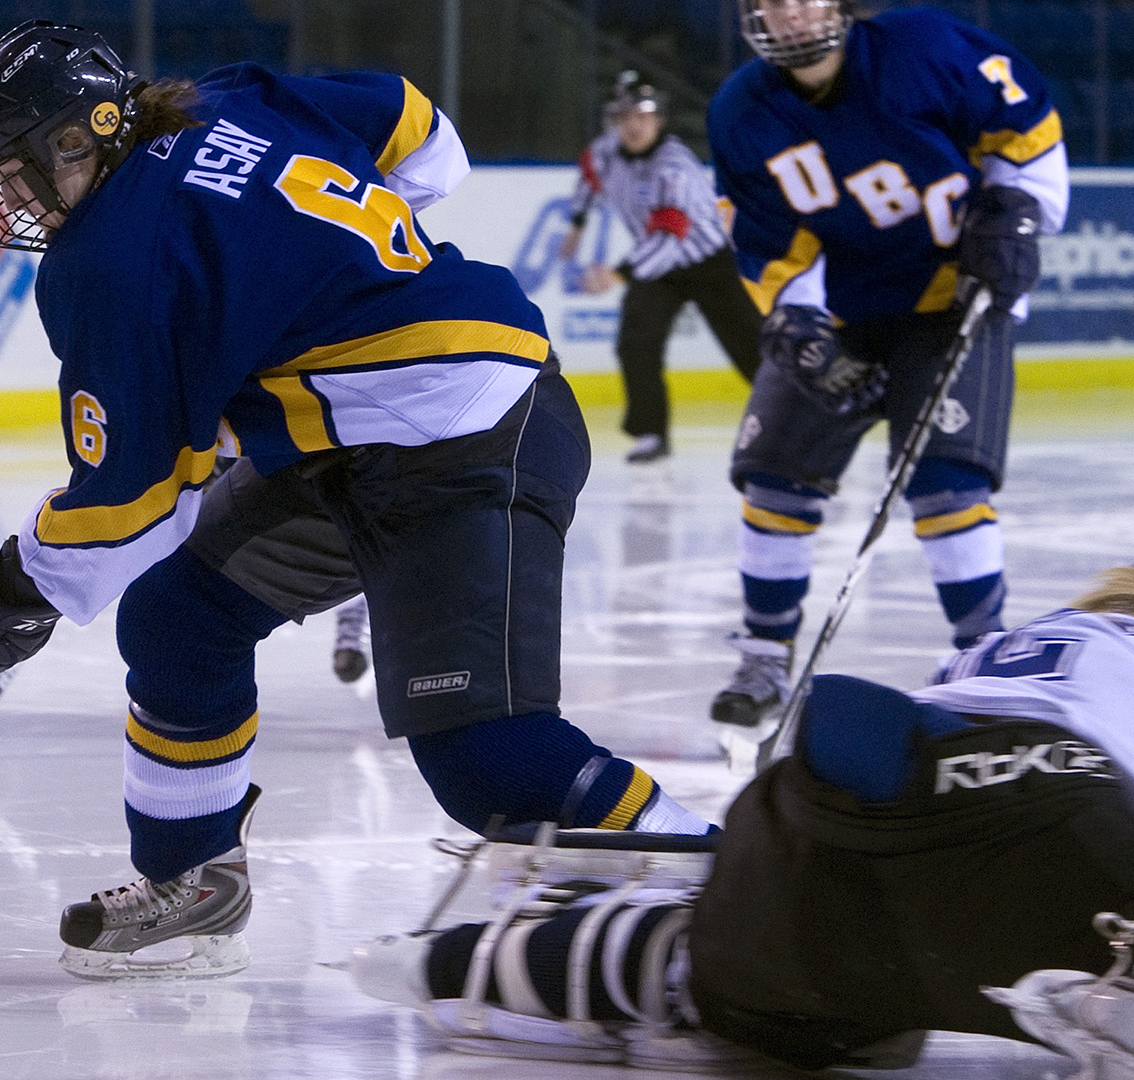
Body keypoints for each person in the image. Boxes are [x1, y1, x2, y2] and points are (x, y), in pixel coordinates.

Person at [0, 21, 717, 981]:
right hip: (369, 434)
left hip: (468, 435)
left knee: (493, 763)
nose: (9, 198)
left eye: (19, 165)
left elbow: (128, 506)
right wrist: (320, 286)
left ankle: (734, 885)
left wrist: (14, 584)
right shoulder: (232, 94)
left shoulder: (109, 261)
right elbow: (424, 132)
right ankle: (193, 875)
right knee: (181, 615)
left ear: (86, 132)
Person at [345, 566, 1134, 1072]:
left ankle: (447, 961)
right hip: (1063, 803)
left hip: (832, 800)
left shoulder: (1015, 647)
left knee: (756, 973)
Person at [703, 0, 1068, 732]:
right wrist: (800, 325)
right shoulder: (742, 112)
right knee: (774, 479)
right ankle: (765, 658)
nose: (790, 12)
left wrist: (1018, 211)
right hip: (842, 309)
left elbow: (1025, 126)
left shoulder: (922, 47)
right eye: (770, 0)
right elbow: (772, 243)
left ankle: (984, 655)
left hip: (953, 297)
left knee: (946, 485)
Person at [558, 71, 761, 465]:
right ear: (613, 121)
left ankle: (791, 423)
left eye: (643, 116)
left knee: (750, 346)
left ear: (659, 120)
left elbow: (671, 237)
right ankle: (651, 433)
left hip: (708, 262)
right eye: (624, 117)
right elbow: (588, 176)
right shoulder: (604, 152)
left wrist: (617, 274)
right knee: (636, 342)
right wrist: (578, 223)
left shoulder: (675, 168)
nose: (633, 126)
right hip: (656, 265)